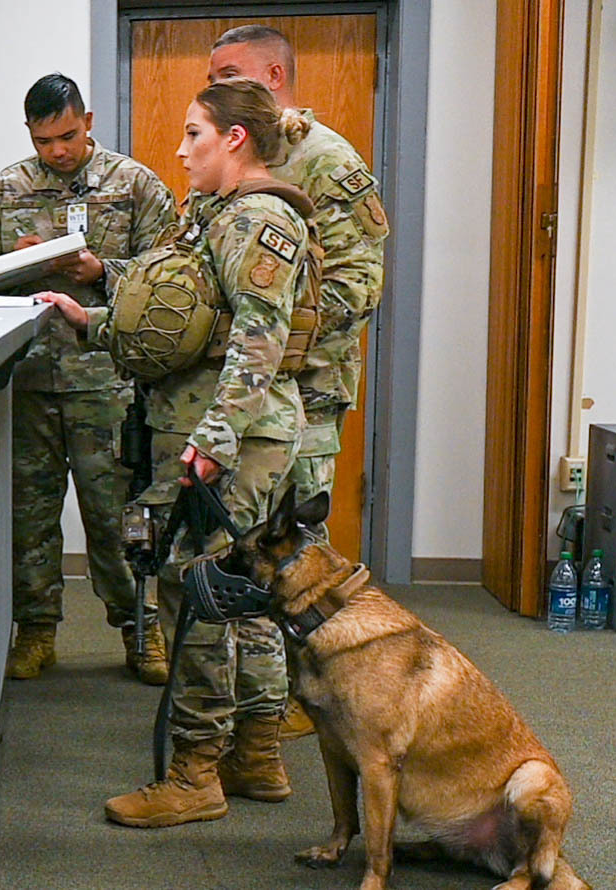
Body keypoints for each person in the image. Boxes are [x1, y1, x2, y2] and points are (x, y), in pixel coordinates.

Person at [38, 78, 312, 827]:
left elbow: (260, 337)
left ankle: (195, 773)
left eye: (194, 133)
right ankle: (256, 756)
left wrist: (213, 440)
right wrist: (90, 315)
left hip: (223, 438)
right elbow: (183, 307)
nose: (181, 149)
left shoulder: (258, 220)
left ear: (235, 139)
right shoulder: (217, 217)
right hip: (212, 430)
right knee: (243, 593)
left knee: (195, 597)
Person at [0, 74, 178, 685]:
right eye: (43, 139)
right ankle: (36, 630)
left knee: (118, 514)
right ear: (28, 132)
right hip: (28, 379)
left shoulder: (134, 185)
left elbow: (170, 277)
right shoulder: (4, 191)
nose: (57, 150)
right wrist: (15, 262)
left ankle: (140, 628)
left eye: (67, 135)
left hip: (106, 379)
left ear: (87, 120)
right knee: (31, 514)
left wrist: (99, 267)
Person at [207, 25, 390, 745]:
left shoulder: (326, 159)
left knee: (299, 541)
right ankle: (268, 691)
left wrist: (284, 349)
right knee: (255, 538)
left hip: (307, 386)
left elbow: (359, 277)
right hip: (262, 388)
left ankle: (305, 694)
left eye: (229, 73)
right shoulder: (243, 153)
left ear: (273, 76)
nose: (215, 85)